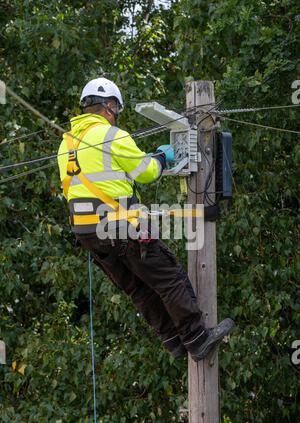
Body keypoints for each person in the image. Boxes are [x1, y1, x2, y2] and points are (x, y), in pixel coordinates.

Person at [57, 77, 234, 361]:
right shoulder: (112, 136)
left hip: (88, 233)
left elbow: (102, 179)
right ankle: (197, 338)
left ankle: (175, 342)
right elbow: (147, 173)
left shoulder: (67, 145)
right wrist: (162, 158)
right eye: (117, 110)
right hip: (120, 227)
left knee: (138, 289)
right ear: (110, 106)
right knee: (169, 279)